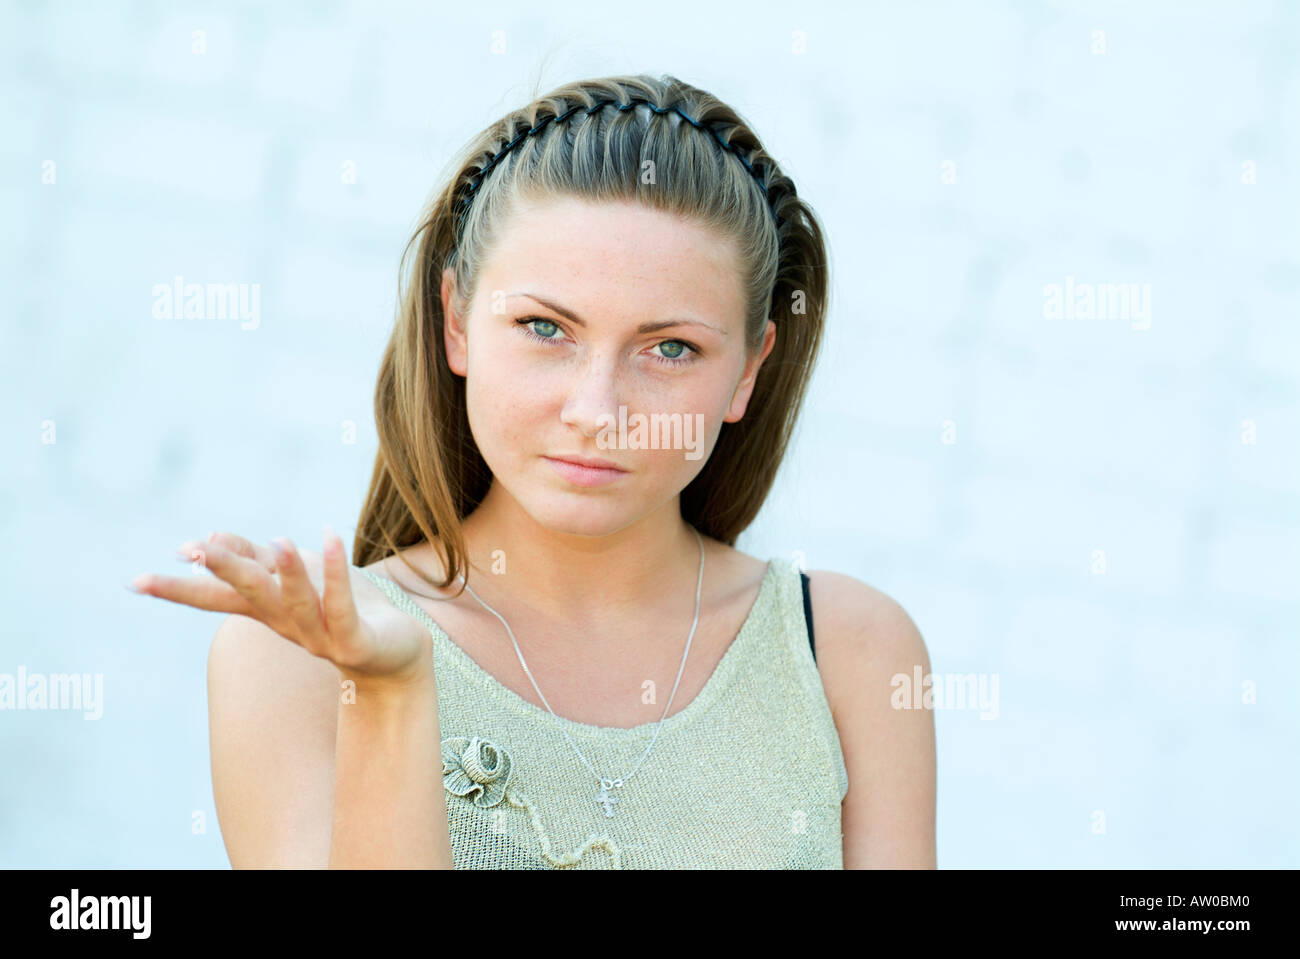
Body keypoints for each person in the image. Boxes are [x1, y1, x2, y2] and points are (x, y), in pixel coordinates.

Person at [131, 73, 936, 869]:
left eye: (670, 348)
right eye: (545, 327)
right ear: (456, 323)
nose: (597, 409)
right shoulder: (295, 661)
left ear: (749, 372)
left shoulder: (850, 652)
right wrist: (394, 689)